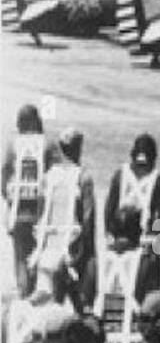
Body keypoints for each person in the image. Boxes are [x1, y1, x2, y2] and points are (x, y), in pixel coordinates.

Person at [32, 128, 96, 308]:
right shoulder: (84, 177)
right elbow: (88, 218)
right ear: (78, 148)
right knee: (81, 303)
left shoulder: (49, 176)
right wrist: (89, 255)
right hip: (73, 250)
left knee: (51, 302)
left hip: (48, 249)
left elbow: (40, 214)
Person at [103, 134, 160, 293]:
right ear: (153, 156)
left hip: (118, 241)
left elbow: (108, 209)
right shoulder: (157, 180)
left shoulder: (120, 175)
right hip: (144, 244)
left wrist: (110, 236)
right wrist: (155, 244)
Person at [2, 103, 59, 296]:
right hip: (40, 209)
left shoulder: (13, 144)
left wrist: (9, 200)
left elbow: (4, 174)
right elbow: (57, 175)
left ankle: (23, 293)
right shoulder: (48, 144)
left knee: (19, 255)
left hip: (18, 209)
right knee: (38, 251)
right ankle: (33, 290)